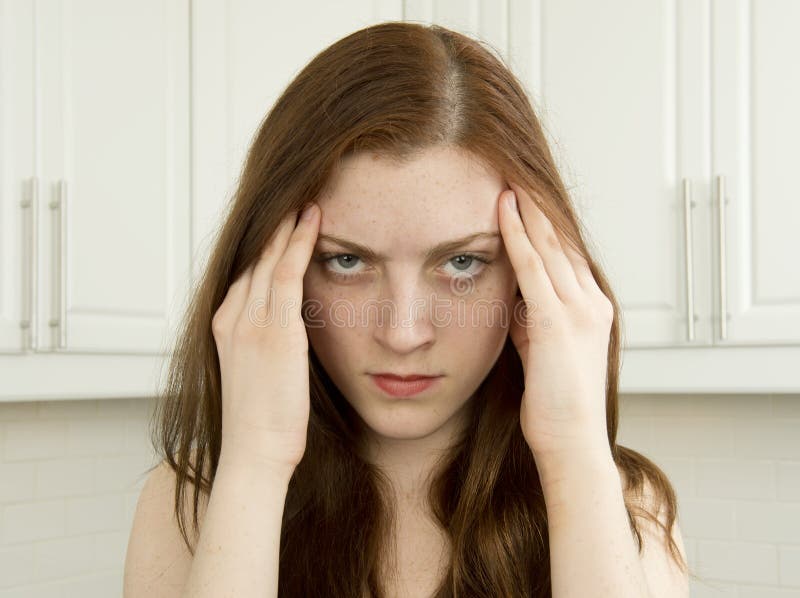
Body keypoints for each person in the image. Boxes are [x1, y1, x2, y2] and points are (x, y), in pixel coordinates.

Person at [123, 21, 691, 598]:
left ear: (532, 279)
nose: (402, 333)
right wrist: (257, 461)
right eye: (346, 262)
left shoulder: (626, 509)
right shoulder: (190, 504)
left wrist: (573, 448)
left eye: (463, 263)